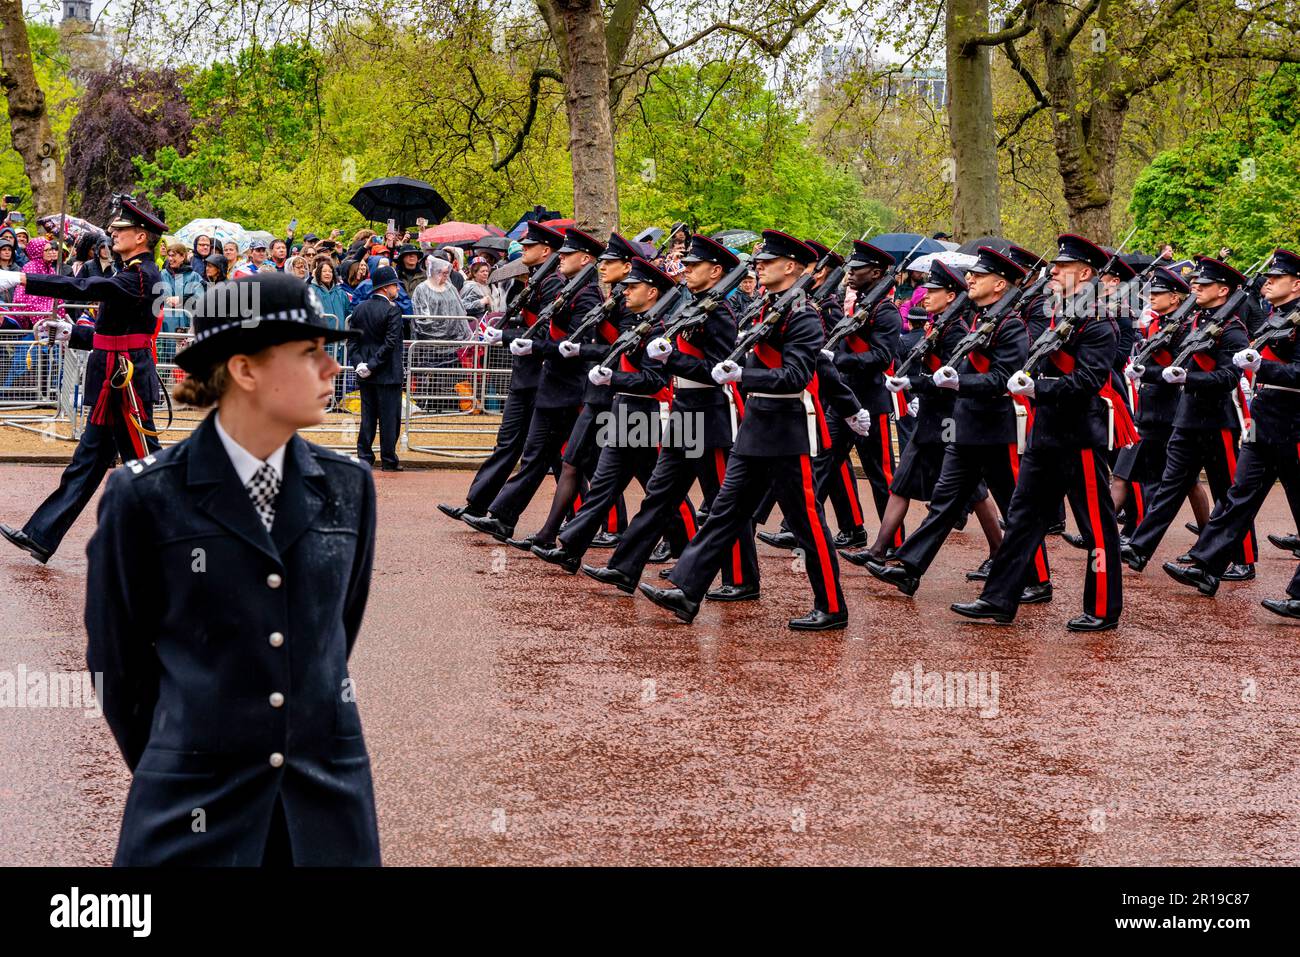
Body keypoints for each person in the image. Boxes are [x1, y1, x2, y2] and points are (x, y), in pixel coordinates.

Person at [86, 270, 379, 865]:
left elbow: (332, 639)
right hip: (191, 811)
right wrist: (183, 753)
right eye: (309, 352)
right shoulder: (144, 496)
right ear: (245, 371)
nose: (331, 370)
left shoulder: (350, 486)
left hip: (326, 809)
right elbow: (119, 668)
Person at [638, 230, 848, 632]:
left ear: (791, 267)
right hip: (754, 427)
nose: (759, 267)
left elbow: (796, 375)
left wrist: (744, 374)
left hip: (786, 430)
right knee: (725, 511)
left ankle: (832, 605)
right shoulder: (763, 308)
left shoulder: (803, 314)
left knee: (806, 523)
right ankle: (686, 590)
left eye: (768, 262)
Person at [954, 234, 1128, 631]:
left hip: (1078, 436)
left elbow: (1088, 380)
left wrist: (1039, 388)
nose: (1054, 271)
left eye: (1064, 268)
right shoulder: (1058, 315)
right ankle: (998, 599)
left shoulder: (1099, 321)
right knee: (1022, 518)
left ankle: (1102, 607)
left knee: (1097, 527)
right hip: (1045, 433)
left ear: (1085, 274)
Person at [863, 247, 1051, 604]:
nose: (971, 280)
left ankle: (1039, 579)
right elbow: (954, 373)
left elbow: (1000, 380)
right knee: (945, 503)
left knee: (1017, 508)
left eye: (979, 277)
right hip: (966, 428)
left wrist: (957, 384)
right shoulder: (983, 320)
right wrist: (915, 384)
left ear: (1000, 285)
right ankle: (909, 567)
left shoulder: (1011, 326)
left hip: (995, 431)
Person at [584, 235, 761, 599]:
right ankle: (624, 568)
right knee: (659, 495)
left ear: (715, 271)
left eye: (695, 266)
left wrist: (671, 359)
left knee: (721, 502)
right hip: (683, 410)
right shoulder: (693, 306)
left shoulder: (720, 314)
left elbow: (718, 369)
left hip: (710, 415)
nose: (687, 270)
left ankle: (742, 579)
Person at [0, 198, 165, 563]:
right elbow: (113, 333)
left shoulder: (141, 275)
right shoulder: (130, 273)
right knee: (87, 463)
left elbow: (84, 288)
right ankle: (41, 535)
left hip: (126, 382)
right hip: (113, 377)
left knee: (147, 462)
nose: (113, 233)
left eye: (120, 230)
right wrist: (70, 334)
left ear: (141, 237)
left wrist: (26, 278)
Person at [529, 254, 694, 571]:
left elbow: (653, 380)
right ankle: (570, 548)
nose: (626, 292)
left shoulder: (659, 329)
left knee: (662, 491)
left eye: (634, 287)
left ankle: (686, 551)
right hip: (622, 410)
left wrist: (611, 377)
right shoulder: (635, 322)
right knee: (604, 485)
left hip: (648, 415)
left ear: (653, 292)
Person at [1163, 249, 1300, 609]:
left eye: (1276, 278)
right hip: (1264, 417)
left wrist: (1262, 367)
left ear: (1297, 284)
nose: (1267, 283)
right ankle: (1207, 566)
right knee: (1239, 495)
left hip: (1294, 421)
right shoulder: (1276, 315)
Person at [846, 260, 1001, 567]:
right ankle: (879, 549)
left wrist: (915, 384)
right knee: (901, 482)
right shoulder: (939, 324)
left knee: (974, 490)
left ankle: (998, 548)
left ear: (952, 295)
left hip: (949, 419)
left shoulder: (957, 330)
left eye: (934, 291)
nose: (925, 296)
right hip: (930, 416)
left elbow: (952, 379)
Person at [462, 226, 606, 541]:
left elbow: (574, 342)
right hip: (552, 384)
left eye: (567, 254)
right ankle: (507, 519)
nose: (561, 258)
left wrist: (528, 343)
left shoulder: (586, 292)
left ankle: (595, 528)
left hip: (568, 387)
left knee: (585, 465)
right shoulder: (567, 286)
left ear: (584, 259)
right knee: (546, 458)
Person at [1120, 256, 1256, 579]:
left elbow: (1227, 378)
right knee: (1169, 487)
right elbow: (1173, 369)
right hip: (1187, 418)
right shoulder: (1194, 322)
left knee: (1228, 493)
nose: (1195, 286)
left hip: (1218, 421)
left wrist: (1188, 380)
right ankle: (1140, 548)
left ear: (1223, 291)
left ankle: (1244, 559)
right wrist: (1150, 373)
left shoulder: (1232, 328)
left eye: (1204, 284)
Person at [437, 220, 565, 522]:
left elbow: (546, 331)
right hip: (525, 375)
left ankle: (583, 521)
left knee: (554, 457)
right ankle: (479, 503)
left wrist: (505, 335)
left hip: (543, 377)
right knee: (509, 444)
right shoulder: (535, 279)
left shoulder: (554, 284)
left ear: (546, 250)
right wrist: (503, 328)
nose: (524, 250)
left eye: (530, 246)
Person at [1110, 266, 1210, 540]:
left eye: (1158, 293)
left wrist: (1146, 371)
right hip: (1147, 408)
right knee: (1122, 473)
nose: (1151, 297)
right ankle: (1105, 531)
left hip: (1171, 410)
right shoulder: (1156, 323)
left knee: (1188, 482)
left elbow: (1180, 368)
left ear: (1175, 298)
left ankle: (1207, 534)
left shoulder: (1184, 328)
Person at [349, 264, 406, 471]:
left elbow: (352, 342)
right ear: (385, 288)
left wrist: (360, 365)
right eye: (395, 286)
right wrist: (371, 365)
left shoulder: (359, 308)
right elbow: (390, 343)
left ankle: (364, 457)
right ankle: (389, 460)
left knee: (368, 418)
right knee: (389, 420)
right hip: (387, 373)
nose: (397, 290)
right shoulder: (393, 310)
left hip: (365, 373)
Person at [159, 241, 204, 332]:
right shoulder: (162, 274)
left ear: (183, 256)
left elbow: (200, 298)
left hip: (186, 321)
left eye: (173, 255)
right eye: (169, 255)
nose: (170, 259)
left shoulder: (194, 276)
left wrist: (181, 299)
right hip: (165, 323)